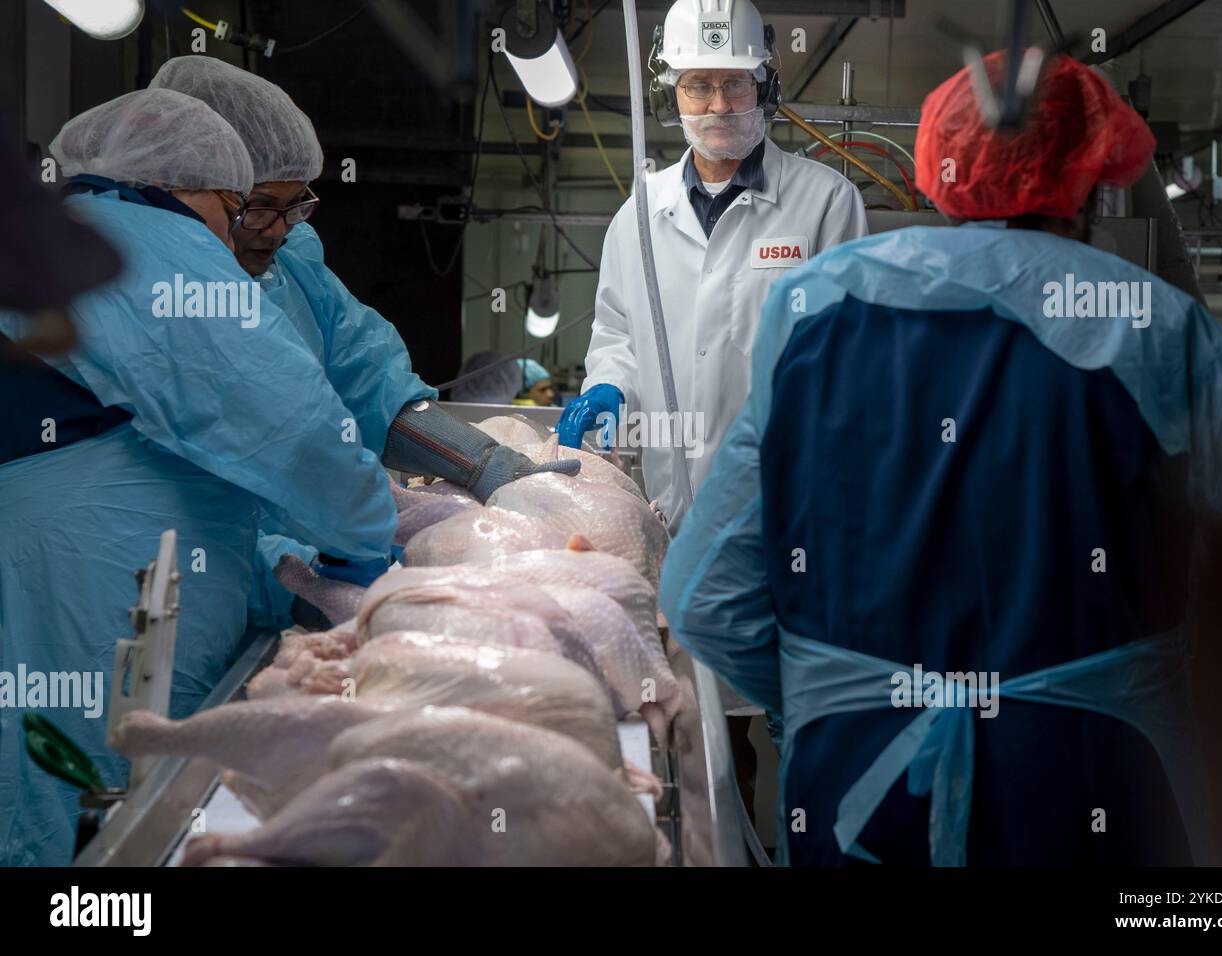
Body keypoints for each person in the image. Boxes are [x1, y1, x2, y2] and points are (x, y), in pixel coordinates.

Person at [659, 52, 1222, 866]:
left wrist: (832, 696)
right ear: (1094, 177)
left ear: (937, 172)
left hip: (857, 793)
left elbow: (703, 592)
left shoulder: (815, 309)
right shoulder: (1156, 326)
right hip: (1098, 788)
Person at [0, 89, 385, 865]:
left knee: (69, 804)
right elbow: (294, 426)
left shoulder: (91, 237)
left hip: (81, 563)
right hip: (91, 583)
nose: (240, 231)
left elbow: (175, 465)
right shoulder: (152, 243)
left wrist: (284, 569)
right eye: (238, 206)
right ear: (189, 188)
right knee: (105, 809)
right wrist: (370, 535)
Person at [150, 56, 577, 626]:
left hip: (303, 573)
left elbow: (367, 377)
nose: (279, 227)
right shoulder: (156, 302)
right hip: (188, 596)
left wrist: (480, 462)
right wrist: (293, 579)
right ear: (188, 189)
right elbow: (175, 493)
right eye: (258, 208)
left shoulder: (293, 265)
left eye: (295, 204)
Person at [556, 0, 866, 532]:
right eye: (699, 83)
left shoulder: (826, 202)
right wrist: (609, 385)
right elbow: (618, 337)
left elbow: (851, 357)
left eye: (737, 83)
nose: (719, 104)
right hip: (668, 505)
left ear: (764, 87)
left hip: (789, 506)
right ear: (670, 93)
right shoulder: (638, 215)